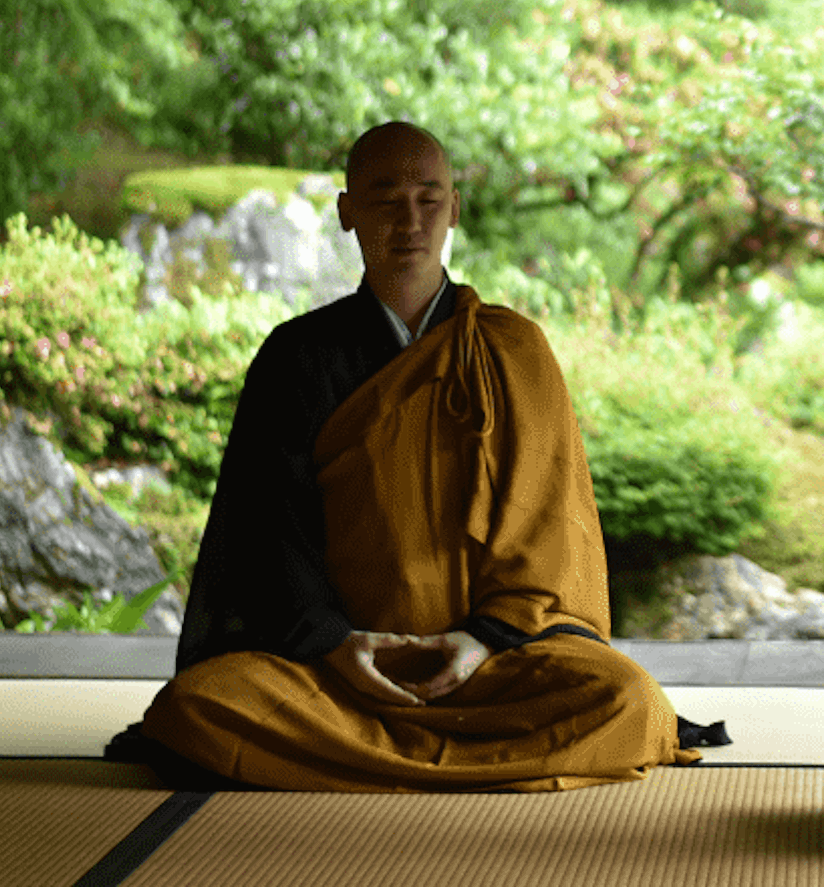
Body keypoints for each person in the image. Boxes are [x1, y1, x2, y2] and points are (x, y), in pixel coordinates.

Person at [111, 121, 701, 793]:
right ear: (346, 212)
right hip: (339, 674)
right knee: (202, 705)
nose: (409, 218)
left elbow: (548, 530)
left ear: (455, 208)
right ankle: (465, 756)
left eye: (428, 196)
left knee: (627, 700)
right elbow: (270, 533)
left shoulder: (512, 350)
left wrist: (481, 639)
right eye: (385, 196)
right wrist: (337, 643)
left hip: (490, 669)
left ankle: (359, 759)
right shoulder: (296, 356)